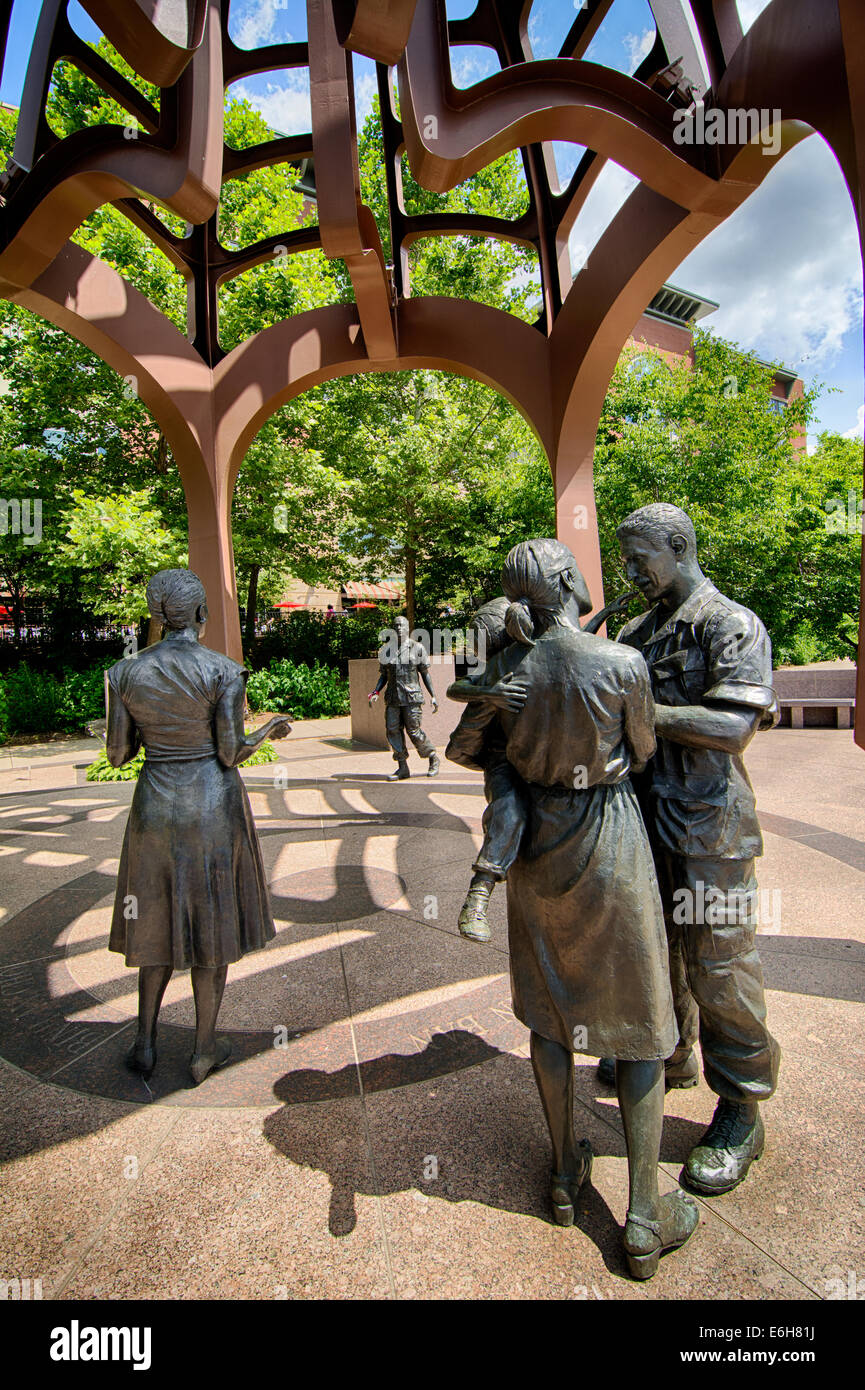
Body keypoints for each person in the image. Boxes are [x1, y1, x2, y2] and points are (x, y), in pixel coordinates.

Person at [486, 538, 698, 1278]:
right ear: (573, 581)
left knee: (549, 1010)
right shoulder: (620, 664)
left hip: (537, 846)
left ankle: (562, 1174)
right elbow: (640, 751)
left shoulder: (507, 669)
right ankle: (643, 1217)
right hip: (606, 838)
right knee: (638, 1024)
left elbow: (472, 749)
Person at [608, 502, 780, 1196]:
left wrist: (639, 713)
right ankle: (674, 1053)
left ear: (676, 547)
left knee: (718, 963)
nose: (629, 572)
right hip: (641, 817)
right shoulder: (633, 631)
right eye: (623, 559)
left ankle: (741, 1108)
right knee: (655, 948)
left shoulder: (729, 623)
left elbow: (732, 725)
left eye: (638, 558)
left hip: (709, 824)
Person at [106, 569, 291, 1085]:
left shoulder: (124, 674)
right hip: (211, 808)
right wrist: (270, 727)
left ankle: (144, 1041)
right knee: (211, 924)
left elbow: (119, 754)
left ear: (157, 616)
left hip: (154, 810)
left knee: (156, 921)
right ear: (202, 615)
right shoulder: (223, 671)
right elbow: (231, 752)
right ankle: (203, 1048)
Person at [445, 589, 637, 942]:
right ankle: (478, 894)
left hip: (529, 762)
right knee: (510, 813)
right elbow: (456, 689)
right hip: (501, 759)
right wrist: (490, 695)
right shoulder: (499, 672)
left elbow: (574, 640)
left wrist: (604, 614)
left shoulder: (532, 660)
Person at [368, 614, 440, 779]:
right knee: (392, 730)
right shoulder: (386, 650)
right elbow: (384, 675)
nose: (399, 628)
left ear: (408, 628)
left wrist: (433, 696)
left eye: (402, 626)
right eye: (396, 626)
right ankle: (402, 767)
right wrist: (376, 691)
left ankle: (432, 757)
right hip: (393, 697)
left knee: (414, 731)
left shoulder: (417, 648)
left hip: (412, 697)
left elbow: (425, 674)